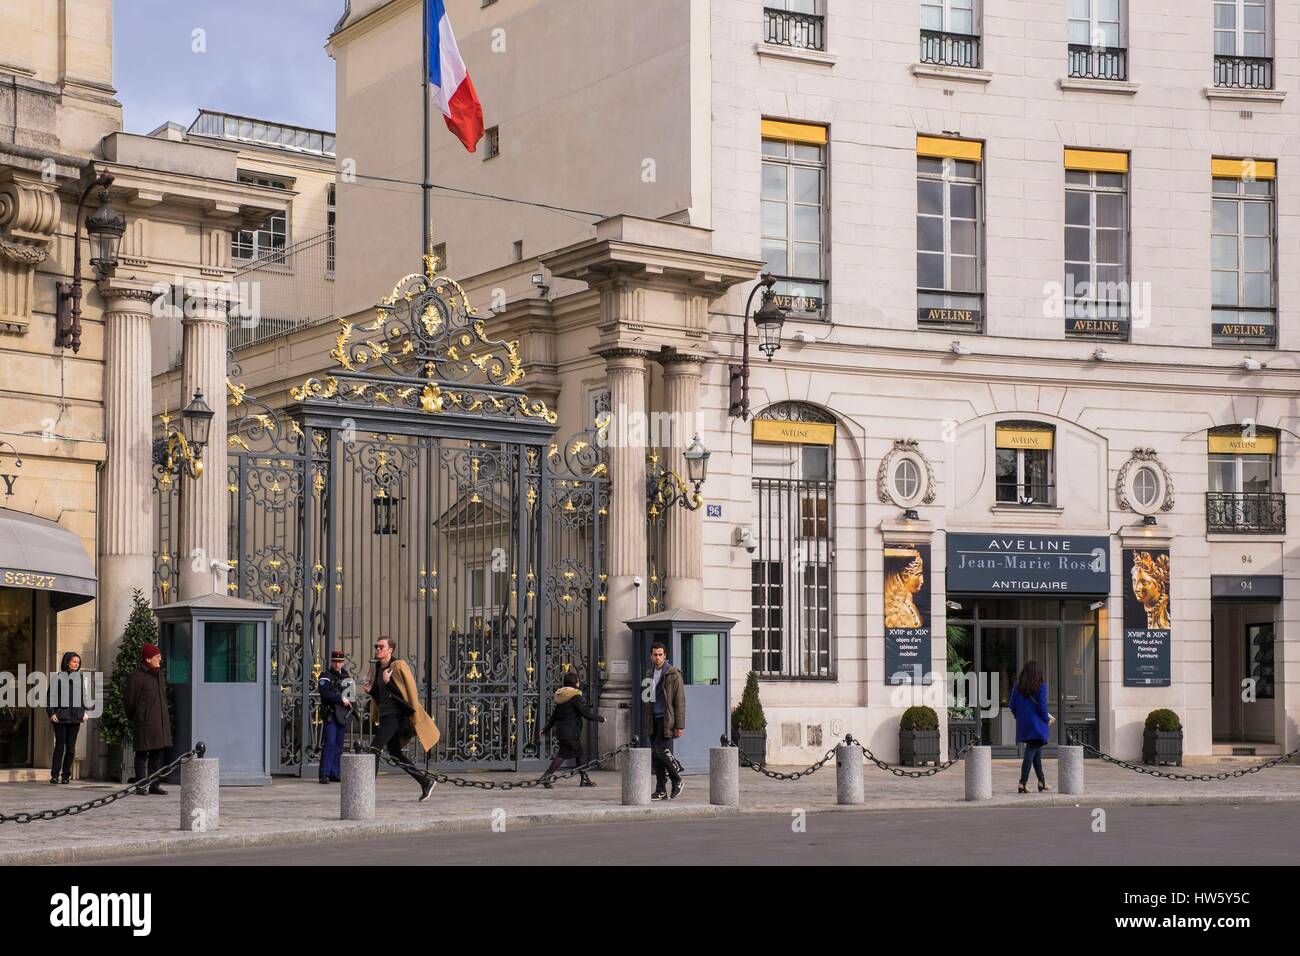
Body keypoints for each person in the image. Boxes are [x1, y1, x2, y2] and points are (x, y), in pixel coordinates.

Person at [364, 637, 440, 802]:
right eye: (376, 646)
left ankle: (366, 792)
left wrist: (388, 682)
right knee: (395, 754)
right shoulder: (377, 668)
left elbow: (406, 694)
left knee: (374, 749)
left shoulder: (398, 666)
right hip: (385, 715)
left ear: (390, 650)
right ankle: (426, 782)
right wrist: (371, 691)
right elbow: (381, 697)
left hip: (395, 716)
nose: (377, 649)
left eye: (381, 646)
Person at [538, 671, 605, 788]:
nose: (579, 683)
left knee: (579, 754)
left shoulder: (561, 696)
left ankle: (584, 779)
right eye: (578, 681)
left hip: (563, 731)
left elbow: (554, 716)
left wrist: (545, 729)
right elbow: (584, 713)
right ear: (575, 683)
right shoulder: (575, 696)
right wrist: (601, 718)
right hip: (571, 733)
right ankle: (546, 777)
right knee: (566, 755)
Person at [125, 643, 172, 796]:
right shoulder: (137, 676)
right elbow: (130, 701)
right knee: (142, 754)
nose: (160, 659)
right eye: (157, 657)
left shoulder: (158, 674)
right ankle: (141, 785)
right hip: (144, 722)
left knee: (157, 755)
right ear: (148, 659)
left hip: (159, 723)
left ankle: (154, 785)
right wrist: (137, 716)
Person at [643, 641, 685, 800]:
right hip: (652, 718)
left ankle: (677, 780)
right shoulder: (648, 674)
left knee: (659, 751)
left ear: (665, 656)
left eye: (660, 655)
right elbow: (646, 699)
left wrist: (679, 725)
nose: (658, 658)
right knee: (655, 755)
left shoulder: (674, 675)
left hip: (666, 719)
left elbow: (680, 701)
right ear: (651, 656)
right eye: (655, 655)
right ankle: (661, 790)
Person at [1008, 660, 1052, 794]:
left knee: (1036, 752)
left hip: (1024, 724)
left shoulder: (1018, 686)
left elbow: (1012, 705)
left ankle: (1042, 782)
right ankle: (1022, 782)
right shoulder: (1041, 685)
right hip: (1037, 724)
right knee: (1031, 751)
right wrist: (1047, 719)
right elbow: (1042, 706)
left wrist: (1019, 716)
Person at [47, 651, 88, 784]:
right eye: (74, 661)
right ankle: (54, 774)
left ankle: (66, 775)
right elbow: (50, 697)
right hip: (60, 718)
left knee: (71, 748)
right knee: (60, 746)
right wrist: (51, 713)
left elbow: (83, 698)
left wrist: (84, 711)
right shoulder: (58, 678)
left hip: (75, 718)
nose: (77, 664)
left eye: (78, 662)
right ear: (67, 662)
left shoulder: (80, 678)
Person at [317, 649, 354, 784]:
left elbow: (351, 695)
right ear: (331, 662)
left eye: (340, 662)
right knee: (330, 743)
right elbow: (325, 693)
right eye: (335, 662)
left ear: (343, 662)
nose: (337, 664)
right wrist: (340, 699)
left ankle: (334, 772)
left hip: (342, 715)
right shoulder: (325, 675)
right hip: (331, 714)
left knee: (339, 745)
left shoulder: (345, 676)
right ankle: (324, 773)